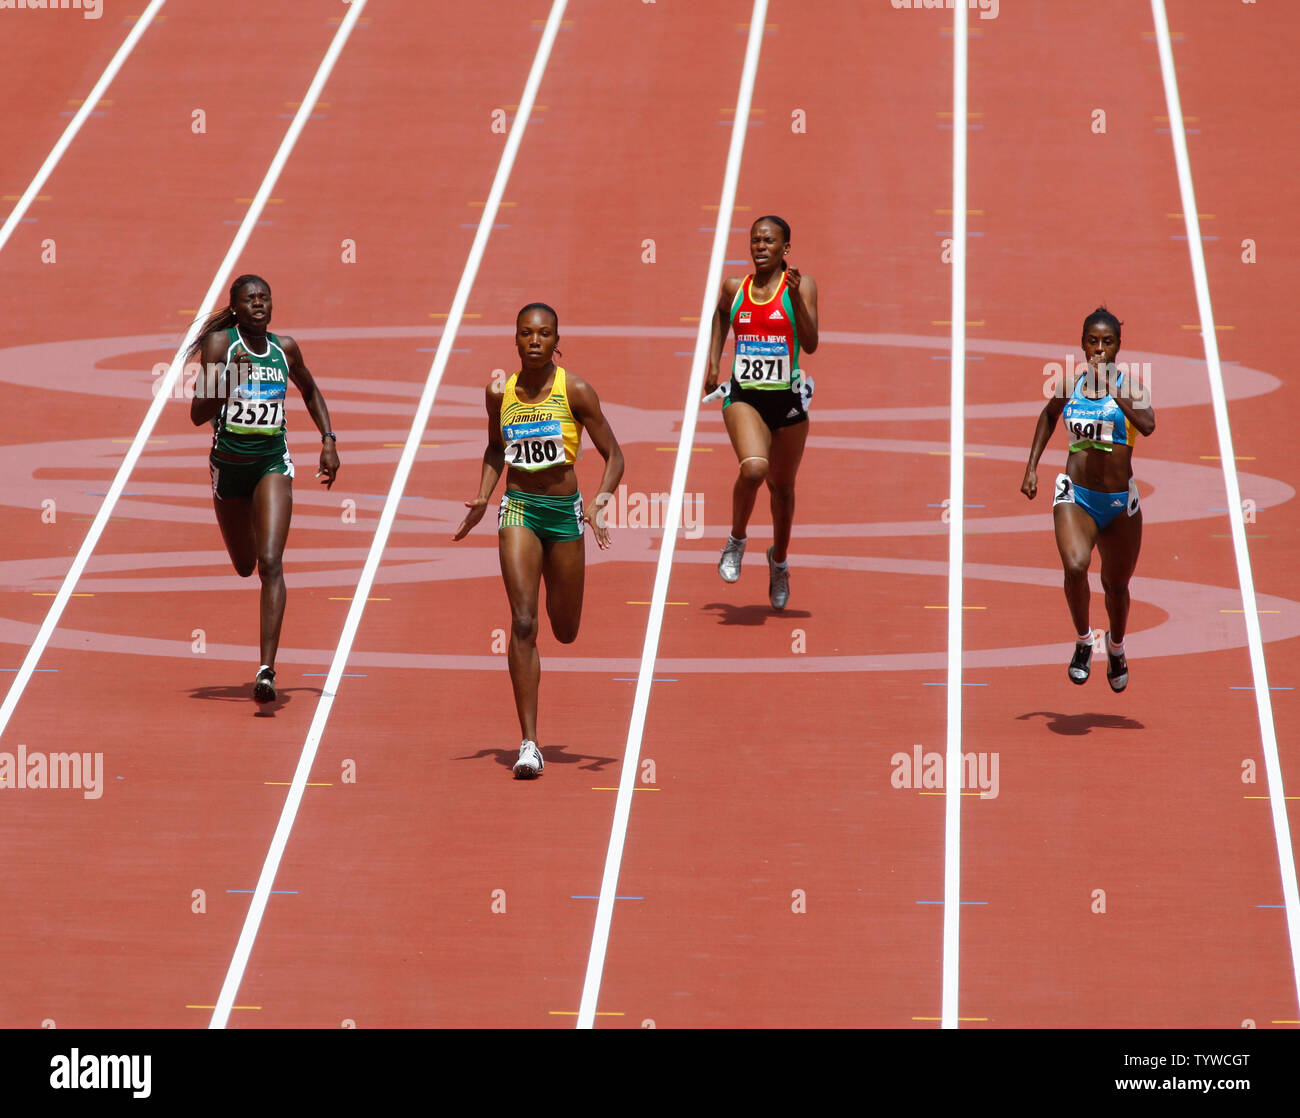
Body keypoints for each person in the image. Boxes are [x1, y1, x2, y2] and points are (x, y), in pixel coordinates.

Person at [453, 303, 624, 778]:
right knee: (524, 621)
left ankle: (558, 611)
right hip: (520, 509)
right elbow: (494, 446)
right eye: (526, 333)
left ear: (555, 341)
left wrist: (600, 502)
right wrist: (485, 497)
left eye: (544, 334)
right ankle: (529, 743)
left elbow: (615, 455)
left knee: (565, 628)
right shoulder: (498, 393)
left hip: (565, 515)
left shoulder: (577, 391)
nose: (534, 341)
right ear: (515, 339)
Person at [187, 274, 339, 703]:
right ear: (235, 308)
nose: (259, 304)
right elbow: (198, 414)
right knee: (245, 564)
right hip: (228, 470)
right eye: (250, 299)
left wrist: (328, 440)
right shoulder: (222, 348)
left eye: (265, 298)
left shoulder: (284, 349)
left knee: (272, 562)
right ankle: (251, 518)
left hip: (272, 463)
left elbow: (310, 390)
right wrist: (227, 378)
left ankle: (266, 670)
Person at [1020, 307, 1155, 691]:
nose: (1099, 349)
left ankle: (1115, 647)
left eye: (1107, 342)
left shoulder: (1130, 387)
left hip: (1119, 505)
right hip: (1076, 496)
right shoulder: (1069, 385)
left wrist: (1112, 388)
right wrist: (1031, 467)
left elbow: (1147, 425)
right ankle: (1083, 642)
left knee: (1116, 587)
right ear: (1082, 344)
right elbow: (1048, 416)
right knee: (1076, 566)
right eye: (1092, 341)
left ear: (1118, 346)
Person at [704, 214, 818, 610]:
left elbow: (812, 342)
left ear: (785, 249)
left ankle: (779, 562)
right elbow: (720, 313)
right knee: (754, 468)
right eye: (755, 240)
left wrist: (800, 299)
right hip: (745, 397)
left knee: (783, 490)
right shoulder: (736, 288)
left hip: (787, 401)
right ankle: (736, 540)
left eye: (769, 241)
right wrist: (712, 363)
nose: (761, 246)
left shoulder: (801, 288)